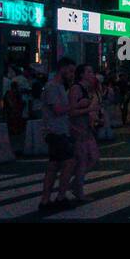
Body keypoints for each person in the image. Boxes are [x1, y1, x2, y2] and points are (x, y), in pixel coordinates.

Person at [38, 57, 77, 210]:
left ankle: (46, 200)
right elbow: (57, 110)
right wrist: (74, 105)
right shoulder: (53, 87)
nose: (72, 74)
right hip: (55, 132)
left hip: (58, 131)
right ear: (62, 69)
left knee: (54, 165)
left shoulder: (59, 86)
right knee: (68, 162)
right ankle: (60, 197)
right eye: (70, 71)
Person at [69, 64, 102, 201]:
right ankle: (79, 190)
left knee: (93, 157)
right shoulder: (76, 88)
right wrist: (88, 110)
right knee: (82, 160)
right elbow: (71, 111)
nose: (91, 74)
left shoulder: (89, 90)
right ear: (81, 74)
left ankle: (75, 182)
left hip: (87, 128)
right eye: (88, 71)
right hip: (77, 128)